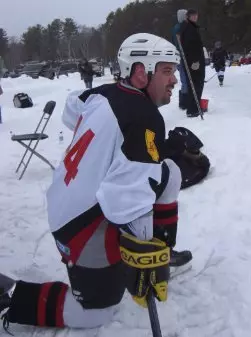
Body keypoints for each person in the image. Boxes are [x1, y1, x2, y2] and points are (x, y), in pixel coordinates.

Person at [0, 33, 192, 332]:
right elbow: (127, 198)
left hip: (72, 197)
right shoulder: (143, 117)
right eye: (167, 71)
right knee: (92, 314)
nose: (175, 80)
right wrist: (144, 254)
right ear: (141, 72)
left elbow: (72, 107)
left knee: (169, 170)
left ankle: (164, 249)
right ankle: (12, 297)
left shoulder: (104, 92)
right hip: (78, 224)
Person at [179, 8, 206, 118]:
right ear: (188, 17)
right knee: (196, 84)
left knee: (194, 85)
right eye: (192, 15)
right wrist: (194, 61)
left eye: (196, 15)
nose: (195, 17)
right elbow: (190, 46)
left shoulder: (190, 27)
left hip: (194, 61)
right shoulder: (189, 28)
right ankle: (193, 109)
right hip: (194, 62)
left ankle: (193, 107)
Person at [172, 9, 188, 110]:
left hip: (179, 57)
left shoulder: (175, 28)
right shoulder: (181, 28)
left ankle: (184, 102)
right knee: (186, 81)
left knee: (184, 80)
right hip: (183, 57)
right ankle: (184, 102)